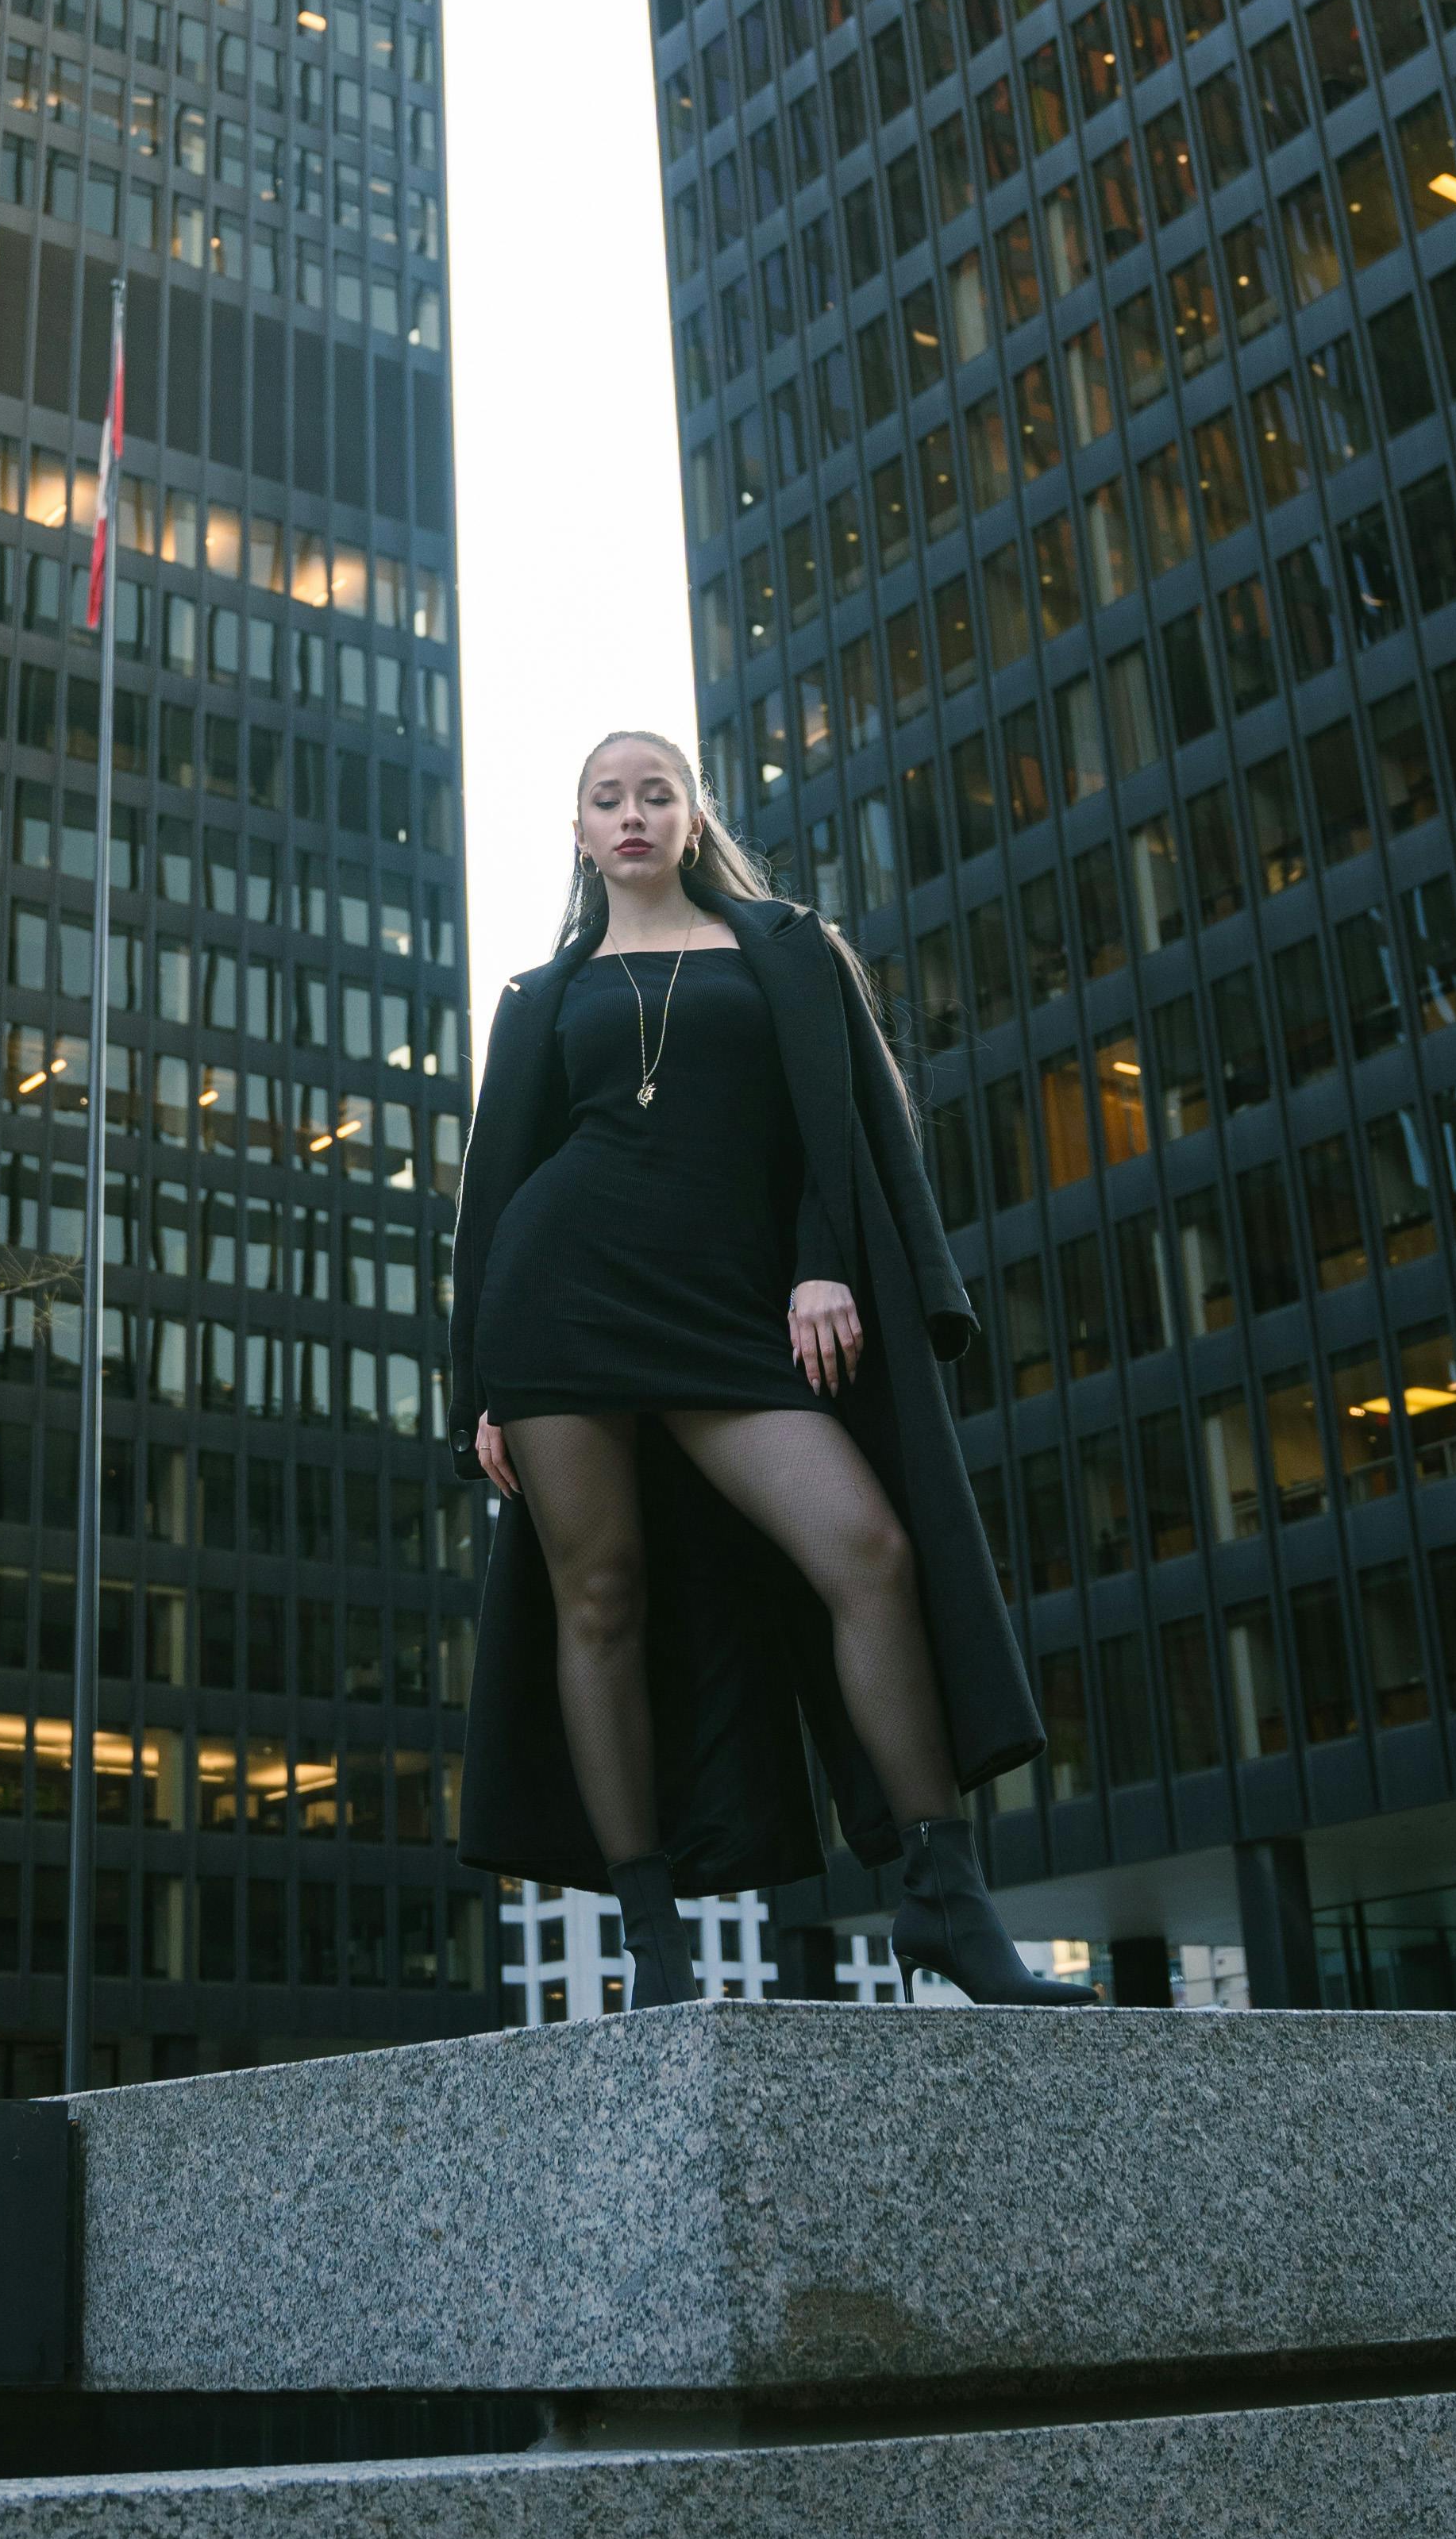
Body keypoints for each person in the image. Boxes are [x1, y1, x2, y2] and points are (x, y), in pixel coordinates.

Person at [449, 727, 1086, 2009]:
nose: (631, 814)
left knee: (866, 1550)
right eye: (605, 798)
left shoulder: (784, 950)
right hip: (560, 1308)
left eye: (655, 794)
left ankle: (945, 1901)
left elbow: (842, 1131)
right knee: (600, 1598)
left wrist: (820, 1264)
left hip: (733, 1311)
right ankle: (656, 1944)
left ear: (694, 818)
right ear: (579, 832)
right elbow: (494, 1192)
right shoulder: (541, 998)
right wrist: (477, 1393)